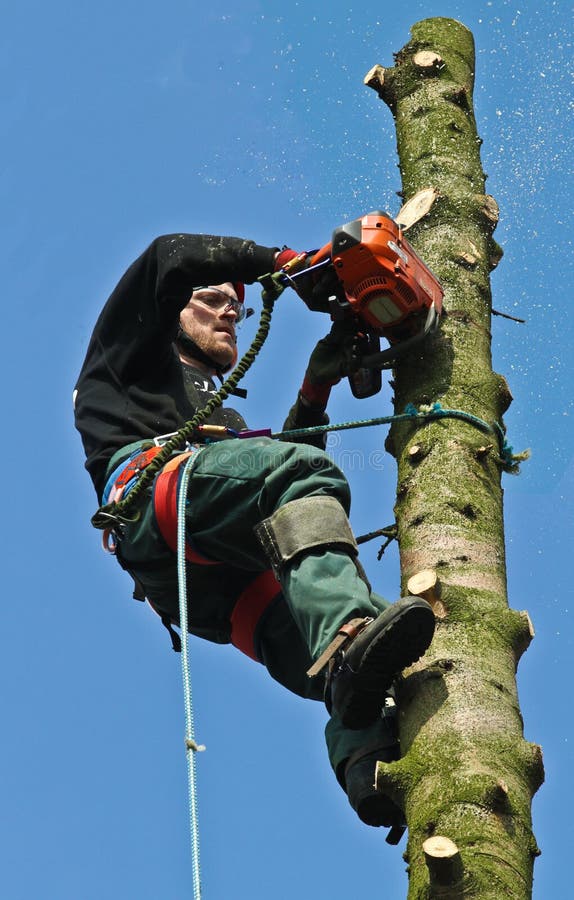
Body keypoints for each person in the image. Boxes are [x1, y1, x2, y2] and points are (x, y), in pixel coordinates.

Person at [74, 232, 435, 829]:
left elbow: (277, 488)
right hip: (156, 505)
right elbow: (170, 253)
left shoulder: (223, 417)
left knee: (383, 651)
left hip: (216, 584)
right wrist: (288, 265)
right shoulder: (129, 353)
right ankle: (344, 638)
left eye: (237, 308)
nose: (230, 312)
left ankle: (373, 765)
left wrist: (315, 391)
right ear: (172, 307)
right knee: (342, 607)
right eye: (213, 299)